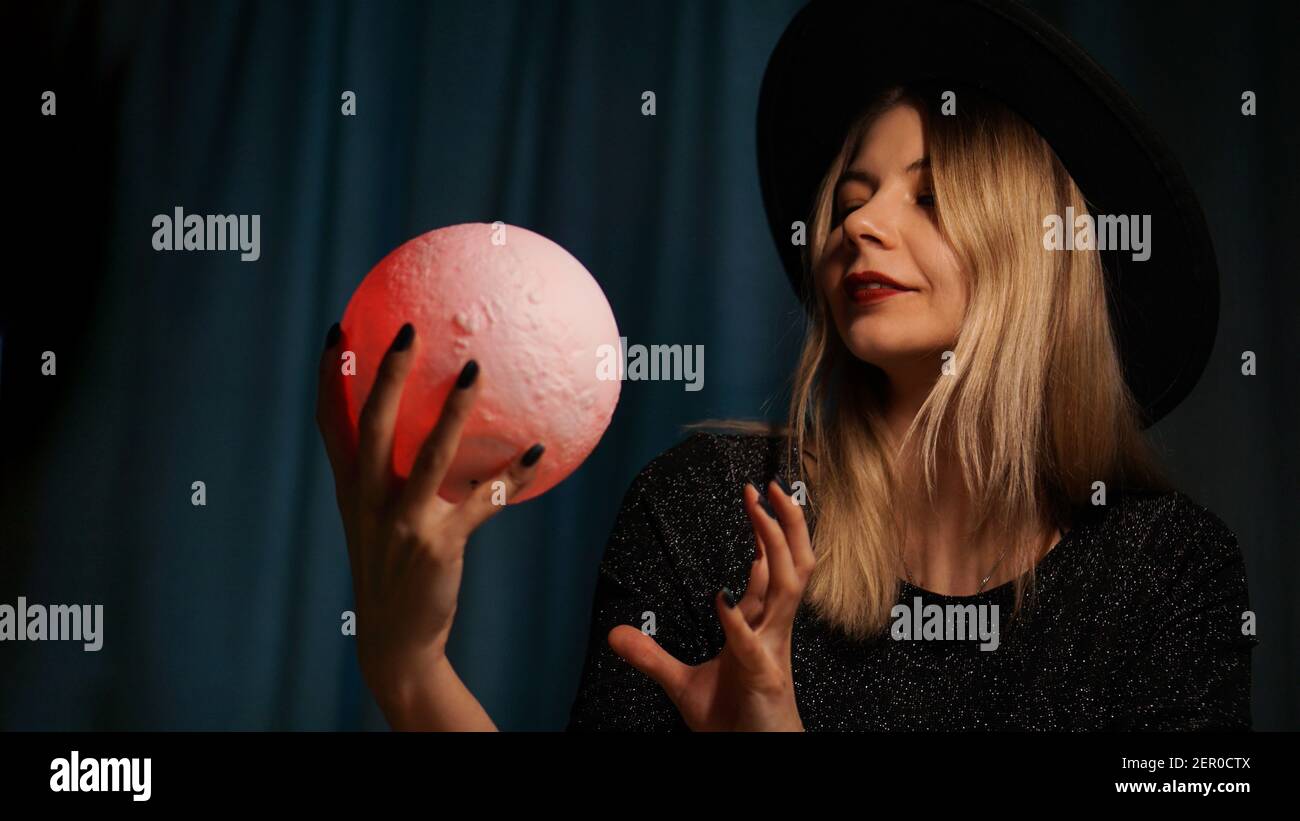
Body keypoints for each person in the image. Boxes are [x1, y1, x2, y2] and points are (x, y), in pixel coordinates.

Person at [314, 0, 1256, 731]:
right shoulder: (707, 511)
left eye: (928, 198)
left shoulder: (1170, 572)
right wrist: (410, 668)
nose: (859, 224)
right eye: (851, 196)